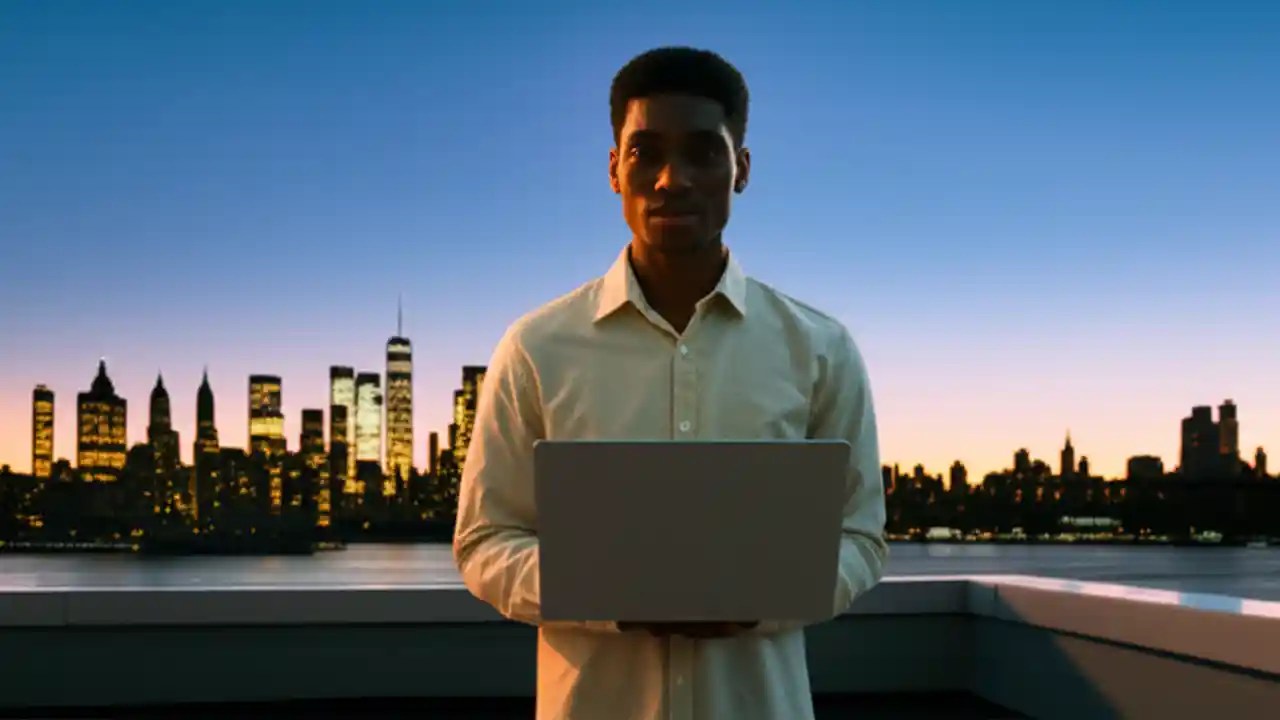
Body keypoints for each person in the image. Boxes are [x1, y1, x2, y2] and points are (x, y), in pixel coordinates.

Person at [453, 46, 888, 720]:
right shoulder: (536, 349)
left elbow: (861, 538)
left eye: (702, 154)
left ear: (740, 168)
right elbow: (485, 541)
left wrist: (763, 601)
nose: (670, 179)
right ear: (612, 169)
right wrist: (607, 595)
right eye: (645, 153)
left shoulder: (819, 350)